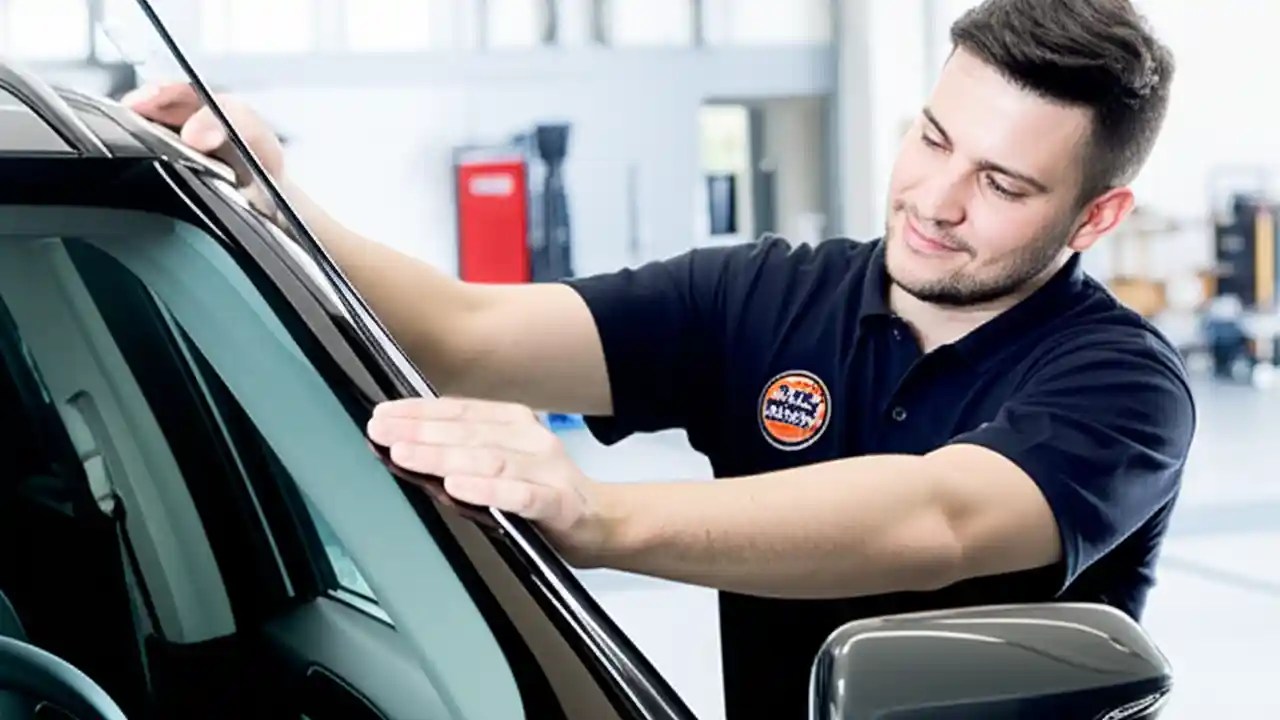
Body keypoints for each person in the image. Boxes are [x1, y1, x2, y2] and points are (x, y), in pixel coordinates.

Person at [127, 0, 1194, 716]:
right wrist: (266, 194)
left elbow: (936, 519)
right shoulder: (761, 294)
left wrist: (599, 518)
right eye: (929, 138)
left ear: (1094, 215)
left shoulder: (1121, 385)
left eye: (1003, 186)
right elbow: (466, 334)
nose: (934, 199)